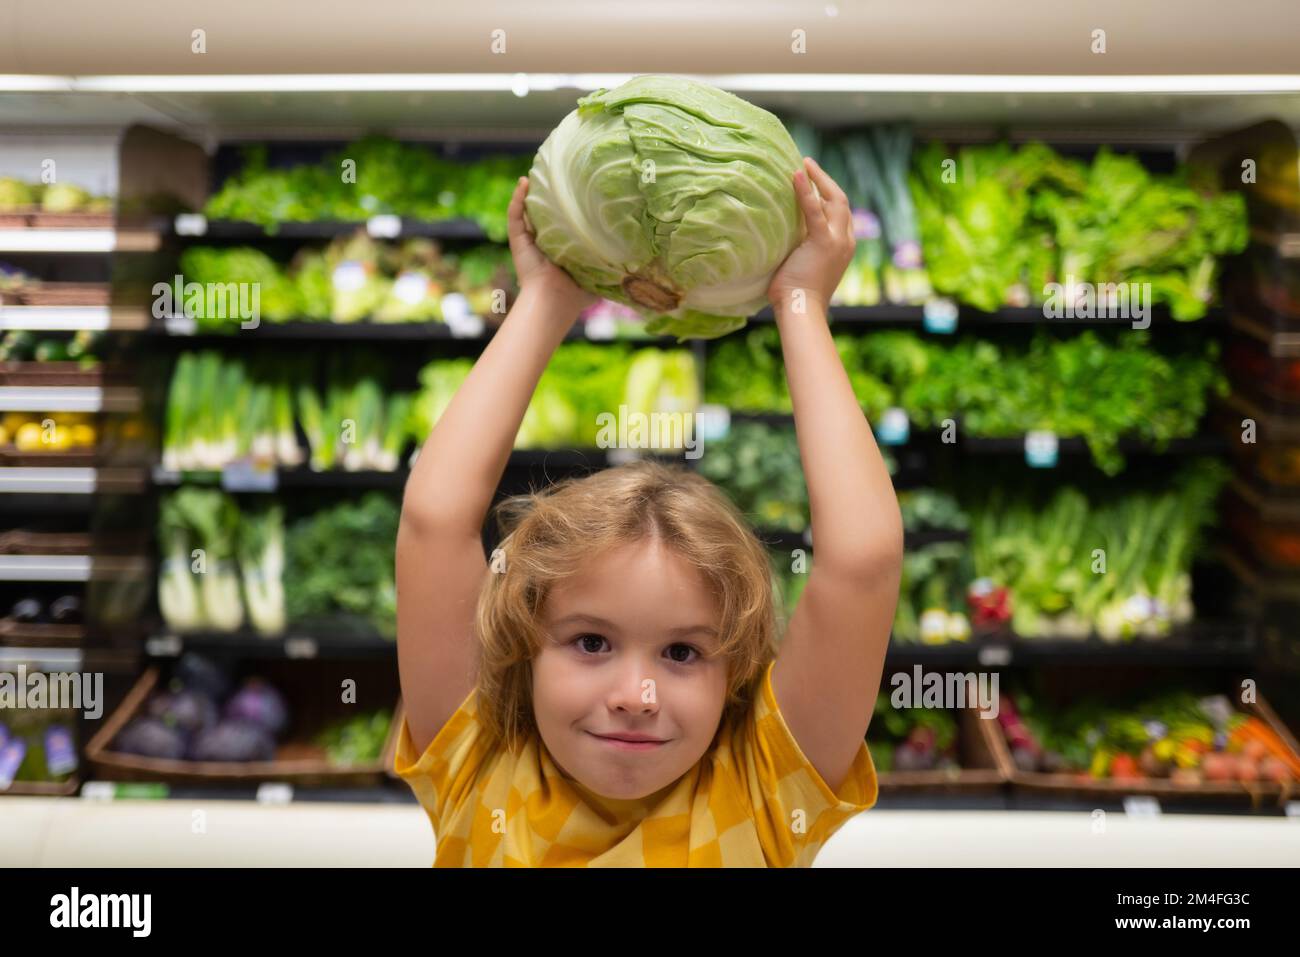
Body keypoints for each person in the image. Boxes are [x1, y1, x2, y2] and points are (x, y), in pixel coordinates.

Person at [394, 157, 903, 866]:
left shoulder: (759, 789)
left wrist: (800, 303)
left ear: (736, 677)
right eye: (592, 642)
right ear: (522, 648)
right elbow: (433, 521)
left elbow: (863, 563)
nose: (636, 695)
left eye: (685, 651)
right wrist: (545, 297)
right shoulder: (482, 758)